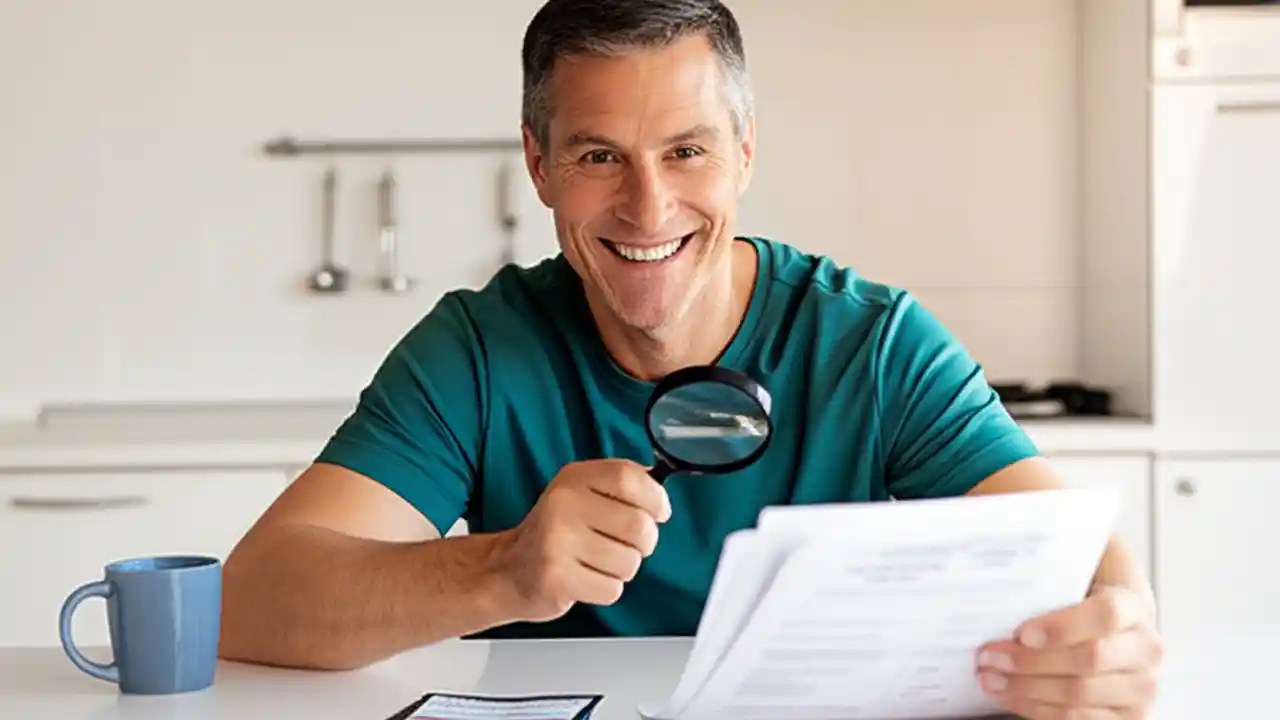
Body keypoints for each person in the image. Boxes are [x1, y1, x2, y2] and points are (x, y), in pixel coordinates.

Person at [219, 1, 1163, 717]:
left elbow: (1076, 559)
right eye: (598, 156)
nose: (648, 207)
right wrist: (502, 570)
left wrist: (1118, 627)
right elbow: (250, 602)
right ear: (538, 164)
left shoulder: (871, 345)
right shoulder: (477, 348)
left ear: (744, 154)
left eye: (686, 151)